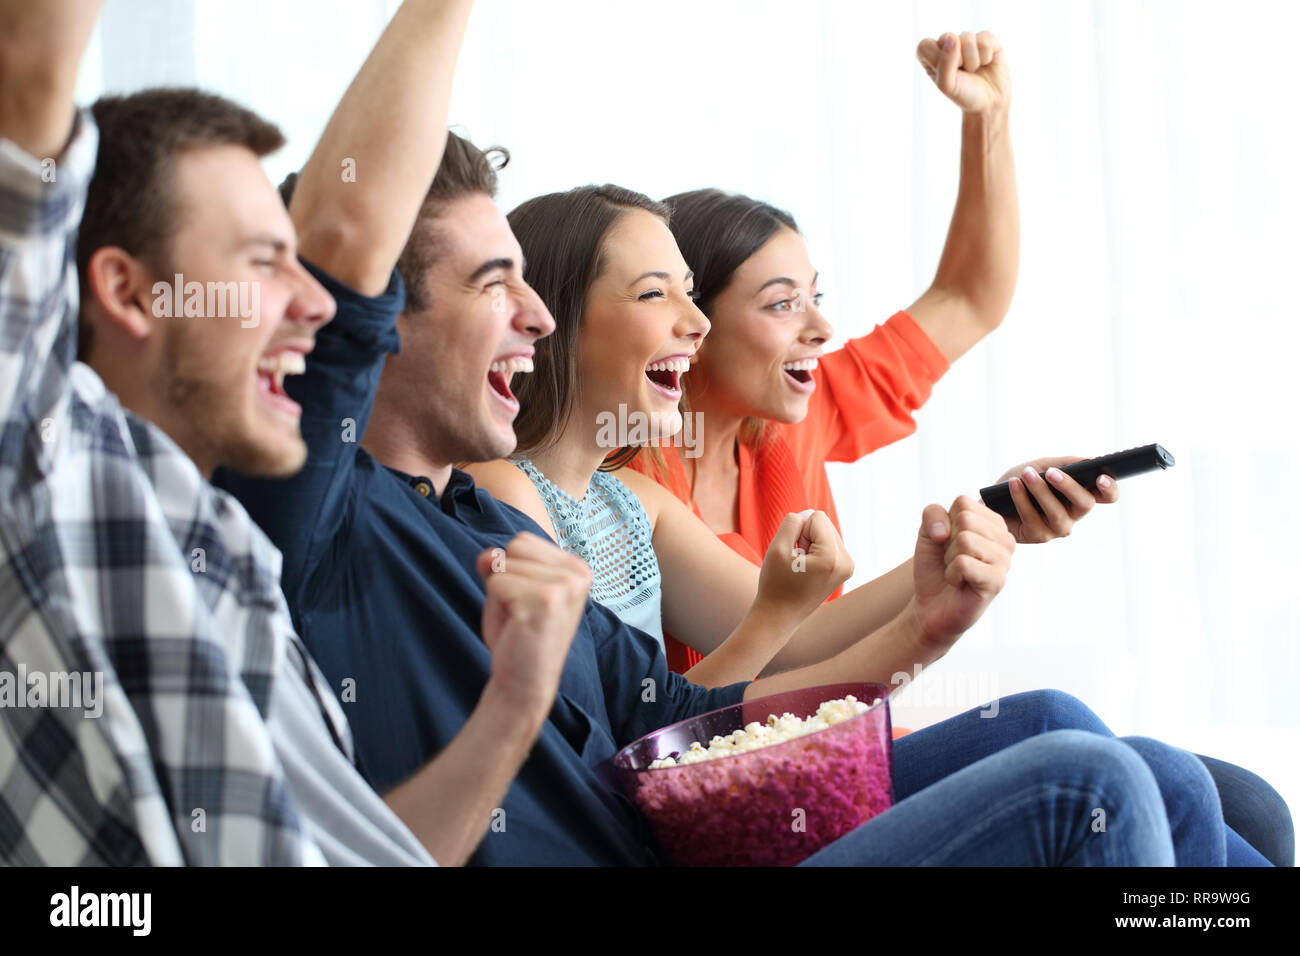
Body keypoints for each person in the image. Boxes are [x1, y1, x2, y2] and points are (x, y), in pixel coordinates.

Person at [219, 133, 1232, 865]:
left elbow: (693, 718)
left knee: (1150, 777)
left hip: (687, 831)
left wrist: (929, 621)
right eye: (495, 283)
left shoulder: (495, 523)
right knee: (1083, 780)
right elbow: (342, 262)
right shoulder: (325, 511)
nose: (525, 313)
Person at [470, 181, 1273, 867]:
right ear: (552, 320)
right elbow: (661, 731)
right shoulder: (509, 493)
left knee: (1188, 780)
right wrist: (822, 613)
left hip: (723, 772)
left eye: (688, 291)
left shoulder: (629, 502)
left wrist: (945, 567)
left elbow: (794, 640)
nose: (696, 323)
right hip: (684, 815)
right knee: (1085, 756)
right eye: (658, 294)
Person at [0, 0, 588, 867]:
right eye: (263, 263)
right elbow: (29, 62)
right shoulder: (45, 461)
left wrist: (514, 704)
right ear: (128, 293)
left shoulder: (229, 552)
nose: (314, 305)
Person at [627, 31, 1023, 673]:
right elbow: (790, 656)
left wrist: (989, 118)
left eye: (815, 296)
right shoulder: (619, 471)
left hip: (828, 727)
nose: (821, 328)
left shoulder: (804, 408)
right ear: (691, 321)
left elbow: (970, 298)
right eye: (782, 304)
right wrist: (978, 530)